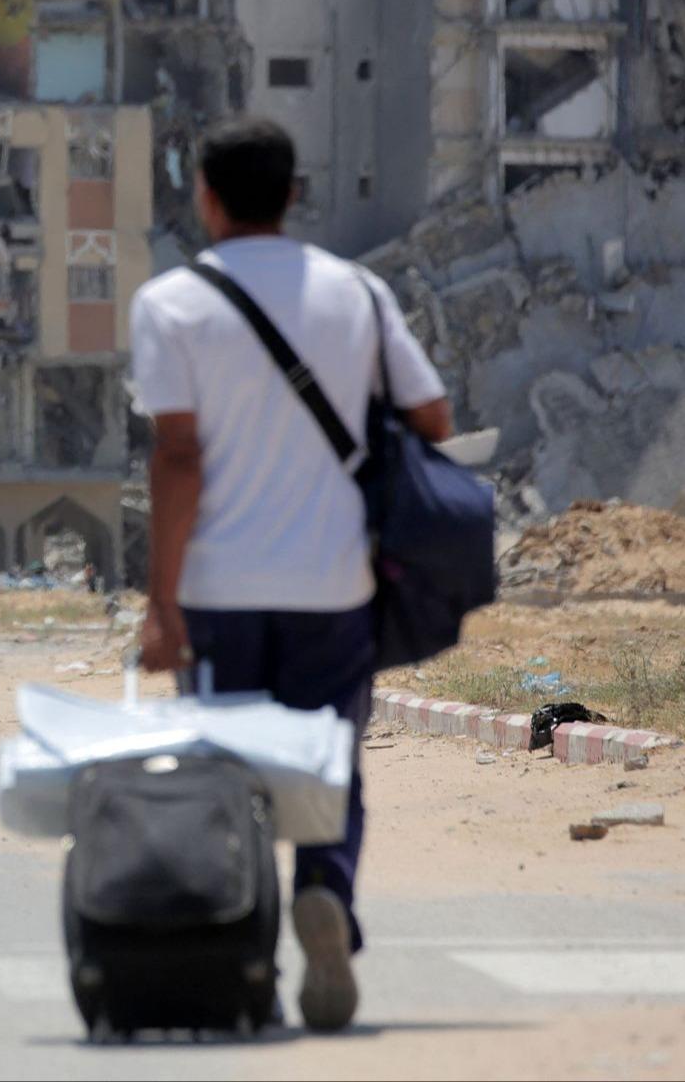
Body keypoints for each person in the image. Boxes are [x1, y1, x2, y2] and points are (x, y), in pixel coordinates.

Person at [128, 116, 452, 1034]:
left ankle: (244, 953)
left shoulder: (171, 304)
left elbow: (178, 456)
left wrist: (162, 605)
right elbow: (432, 416)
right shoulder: (357, 293)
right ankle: (327, 896)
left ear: (206, 196)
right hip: (335, 589)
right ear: (294, 195)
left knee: (229, 778)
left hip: (221, 594)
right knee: (329, 763)